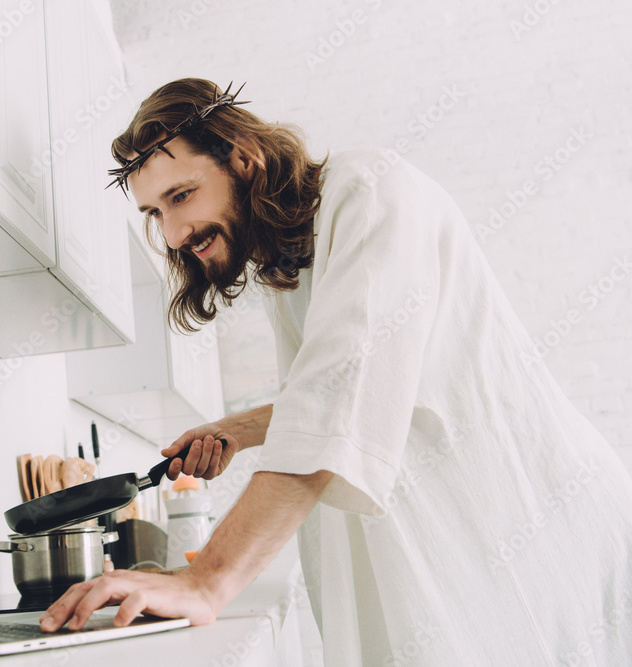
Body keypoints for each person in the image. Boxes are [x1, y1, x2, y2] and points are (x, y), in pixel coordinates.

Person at [39, 78, 632, 665]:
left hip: (540, 524)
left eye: (181, 195)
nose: (171, 234)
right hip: (481, 533)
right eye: (154, 212)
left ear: (243, 160)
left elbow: (337, 395)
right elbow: (359, 388)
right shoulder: (290, 264)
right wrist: (241, 429)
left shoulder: (369, 191)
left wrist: (206, 580)